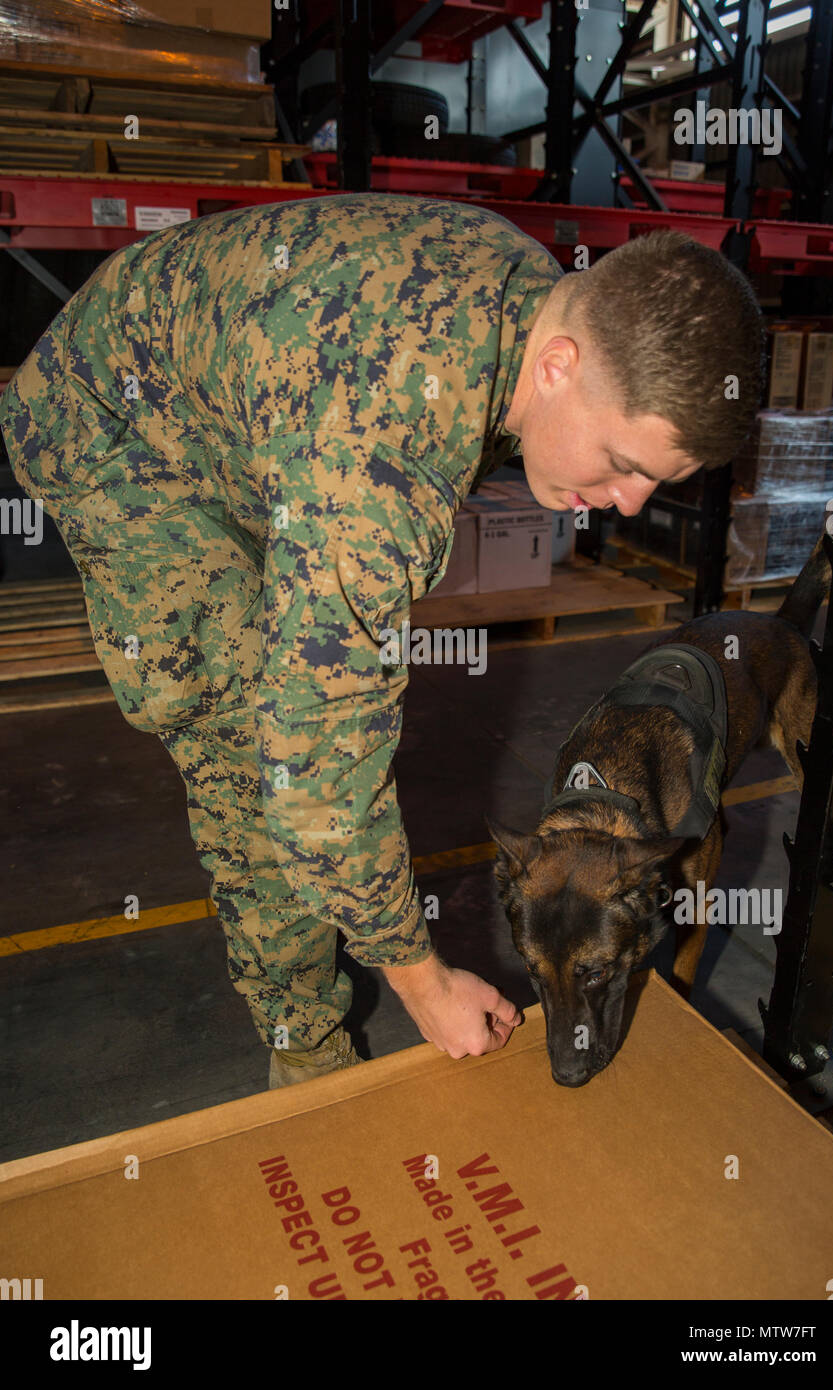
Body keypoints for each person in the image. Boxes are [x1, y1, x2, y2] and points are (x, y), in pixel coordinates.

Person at [0, 193, 764, 1088]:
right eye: (626, 464)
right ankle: (307, 1054)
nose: (630, 504)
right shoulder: (378, 442)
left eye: (655, 484)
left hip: (250, 411)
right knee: (255, 768)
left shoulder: (526, 307)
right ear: (560, 366)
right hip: (123, 437)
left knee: (310, 670)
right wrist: (422, 977)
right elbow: (313, 767)